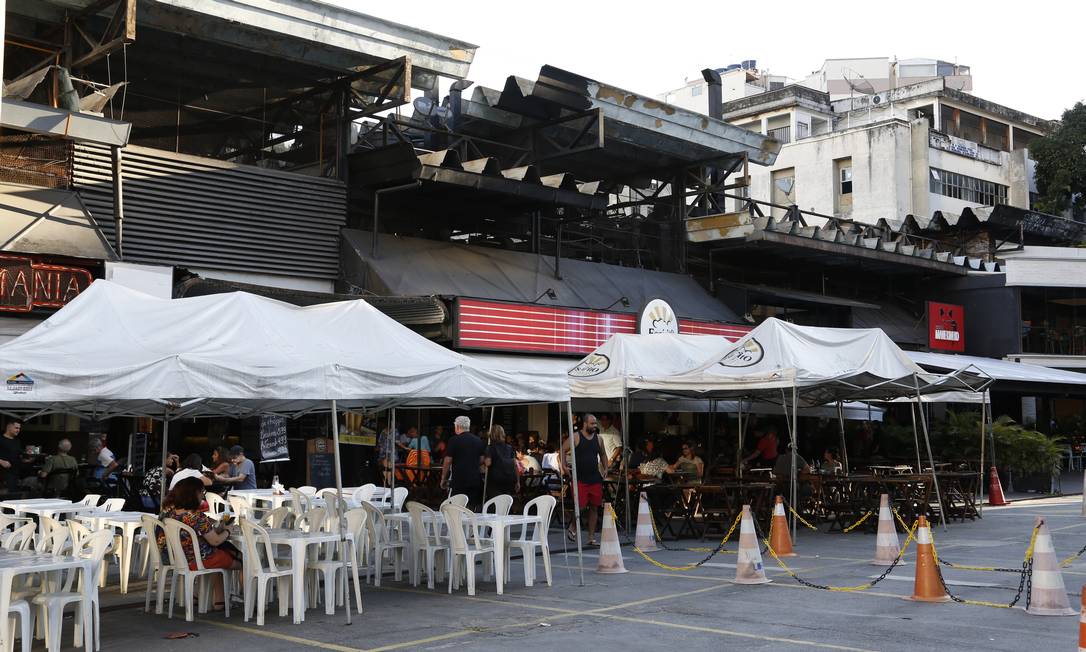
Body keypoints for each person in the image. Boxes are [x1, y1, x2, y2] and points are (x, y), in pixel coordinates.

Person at [158, 477, 242, 609]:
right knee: (243, 562)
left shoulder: (169, 514)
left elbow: (203, 533)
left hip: (176, 558)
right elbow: (215, 541)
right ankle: (246, 601)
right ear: (193, 494)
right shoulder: (197, 517)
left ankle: (207, 598)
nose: (203, 496)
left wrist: (219, 529)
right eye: (202, 492)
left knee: (222, 556)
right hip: (199, 560)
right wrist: (228, 530)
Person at [559, 414, 608, 547]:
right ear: (585, 424)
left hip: (594, 477)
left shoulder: (599, 438)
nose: (594, 426)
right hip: (579, 478)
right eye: (592, 424)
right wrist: (563, 465)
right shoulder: (576, 437)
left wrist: (606, 467)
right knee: (579, 507)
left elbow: (603, 454)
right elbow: (563, 449)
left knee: (594, 507)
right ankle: (573, 526)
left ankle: (591, 538)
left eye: (595, 424)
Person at [440, 415, 486, 510]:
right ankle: (470, 524)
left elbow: (448, 460)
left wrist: (443, 478)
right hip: (475, 479)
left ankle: (457, 524)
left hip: (459, 480)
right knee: (471, 508)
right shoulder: (478, 440)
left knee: (456, 507)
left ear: (457, 426)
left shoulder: (454, 440)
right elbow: (482, 459)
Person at [483, 425, 519, 499]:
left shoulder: (490, 448)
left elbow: (488, 463)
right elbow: (515, 465)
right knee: (506, 502)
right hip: (509, 480)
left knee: (495, 503)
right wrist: (518, 481)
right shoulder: (510, 447)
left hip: (495, 481)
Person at [0, 419, 24, 492]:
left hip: (15, 474)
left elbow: (18, 455)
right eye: (16, 428)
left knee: (12, 498)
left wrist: (25, 459)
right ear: (9, 427)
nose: (18, 430)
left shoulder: (17, 441)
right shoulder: (0, 439)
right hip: (2, 475)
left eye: (19, 428)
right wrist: (0, 461)